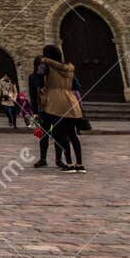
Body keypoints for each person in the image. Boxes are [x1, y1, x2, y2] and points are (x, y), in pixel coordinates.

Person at [38, 44, 86, 173]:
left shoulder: (46, 65)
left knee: (61, 134)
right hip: (70, 101)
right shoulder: (68, 69)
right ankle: (80, 164)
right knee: (72, 134)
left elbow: (38, 78)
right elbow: (77, 85)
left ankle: (69, 164)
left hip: (56, 103)